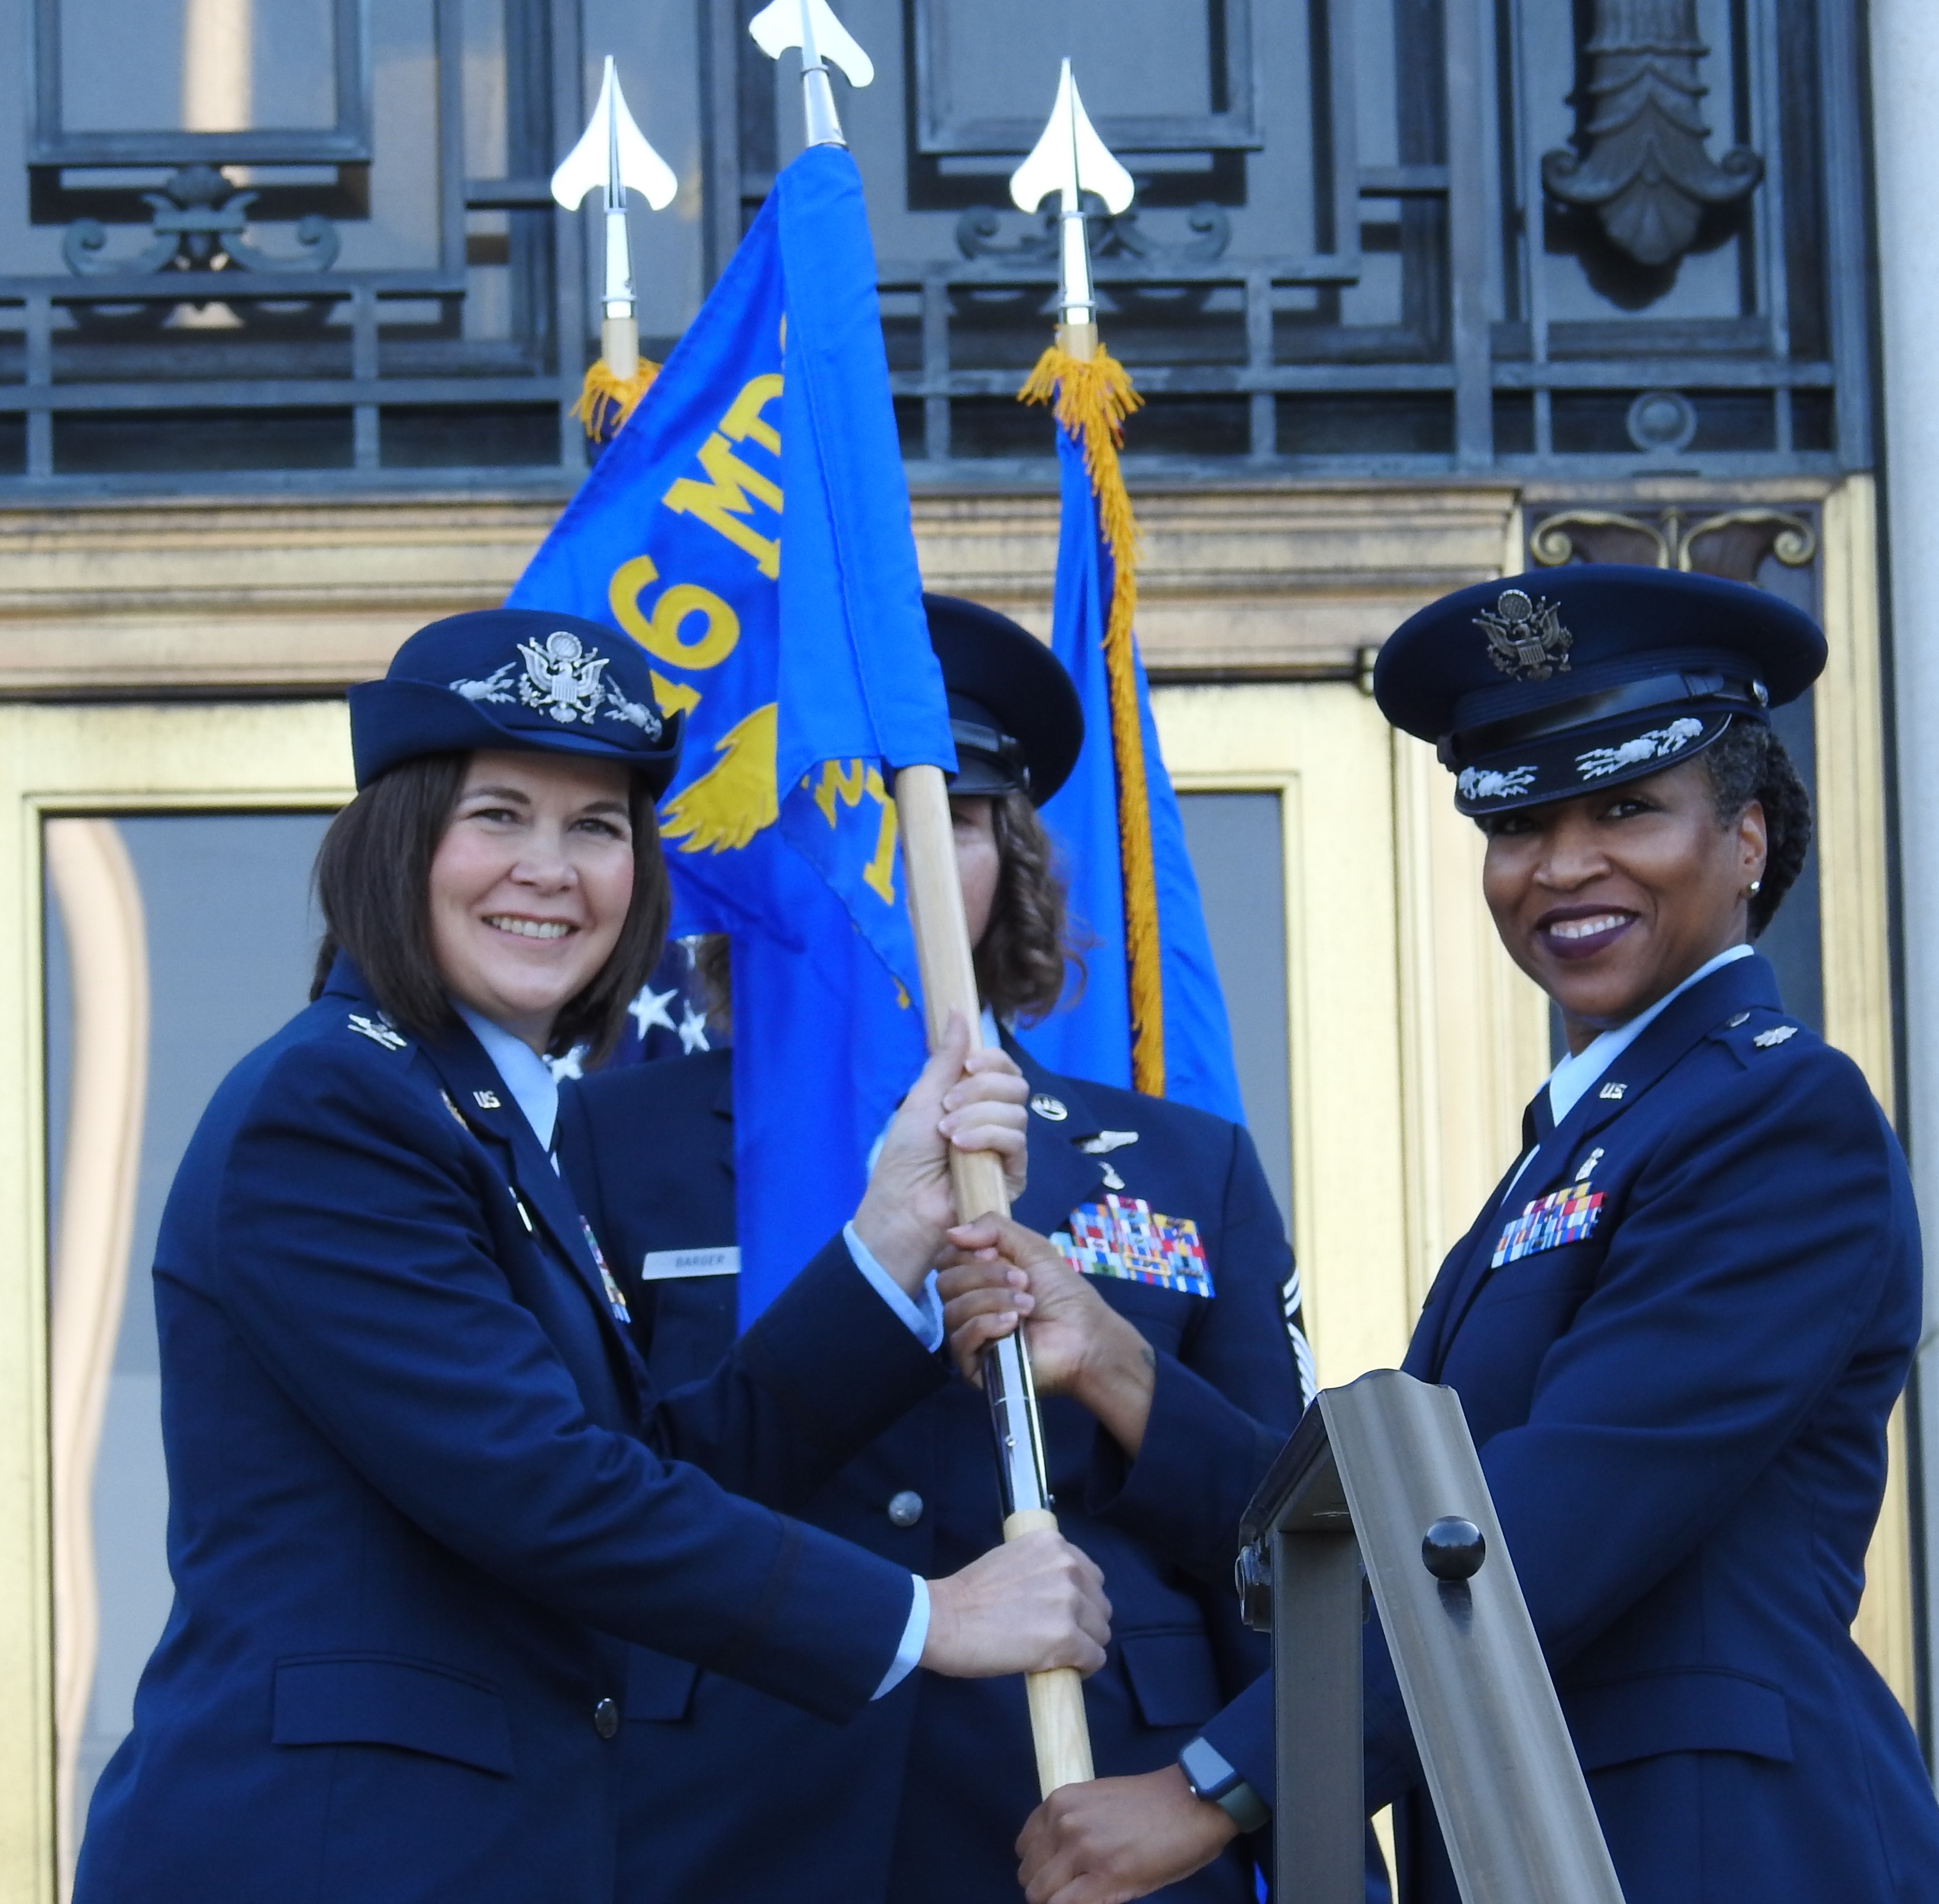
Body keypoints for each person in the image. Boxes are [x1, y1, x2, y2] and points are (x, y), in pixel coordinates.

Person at [72, 608, 1114, 1904]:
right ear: (398, 845)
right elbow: (543, 1490)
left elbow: (643, 1468)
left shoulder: (479, 1112)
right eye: (498, 814)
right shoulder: (335, 1107)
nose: (550, 869)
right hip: (331, 1853)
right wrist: (933, 1617)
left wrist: (888, 1238)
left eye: (597, 827)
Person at [980, 564, 1939, 1904]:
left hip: (1707, 1847)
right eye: (1520, 822)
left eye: (1626, 807)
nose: (1562, 866)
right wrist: (1113, 1364)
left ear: (1749, 839)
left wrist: (1214, 1782)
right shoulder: (1597, 1129)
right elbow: (1415, 1529)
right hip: (1538, 1840)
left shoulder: (1776, 1115)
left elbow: (1559, 1518)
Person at [556, 595, 1310, 1904]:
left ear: (1008, 862)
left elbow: (1293, 1541)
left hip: (1089, 1814)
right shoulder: (610, 1141)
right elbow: (578, 1491)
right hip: (728, 1812)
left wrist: (1308, 1853)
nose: (896, 858)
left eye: (948, 820)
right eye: (850, 817)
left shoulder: (1188, 1167)